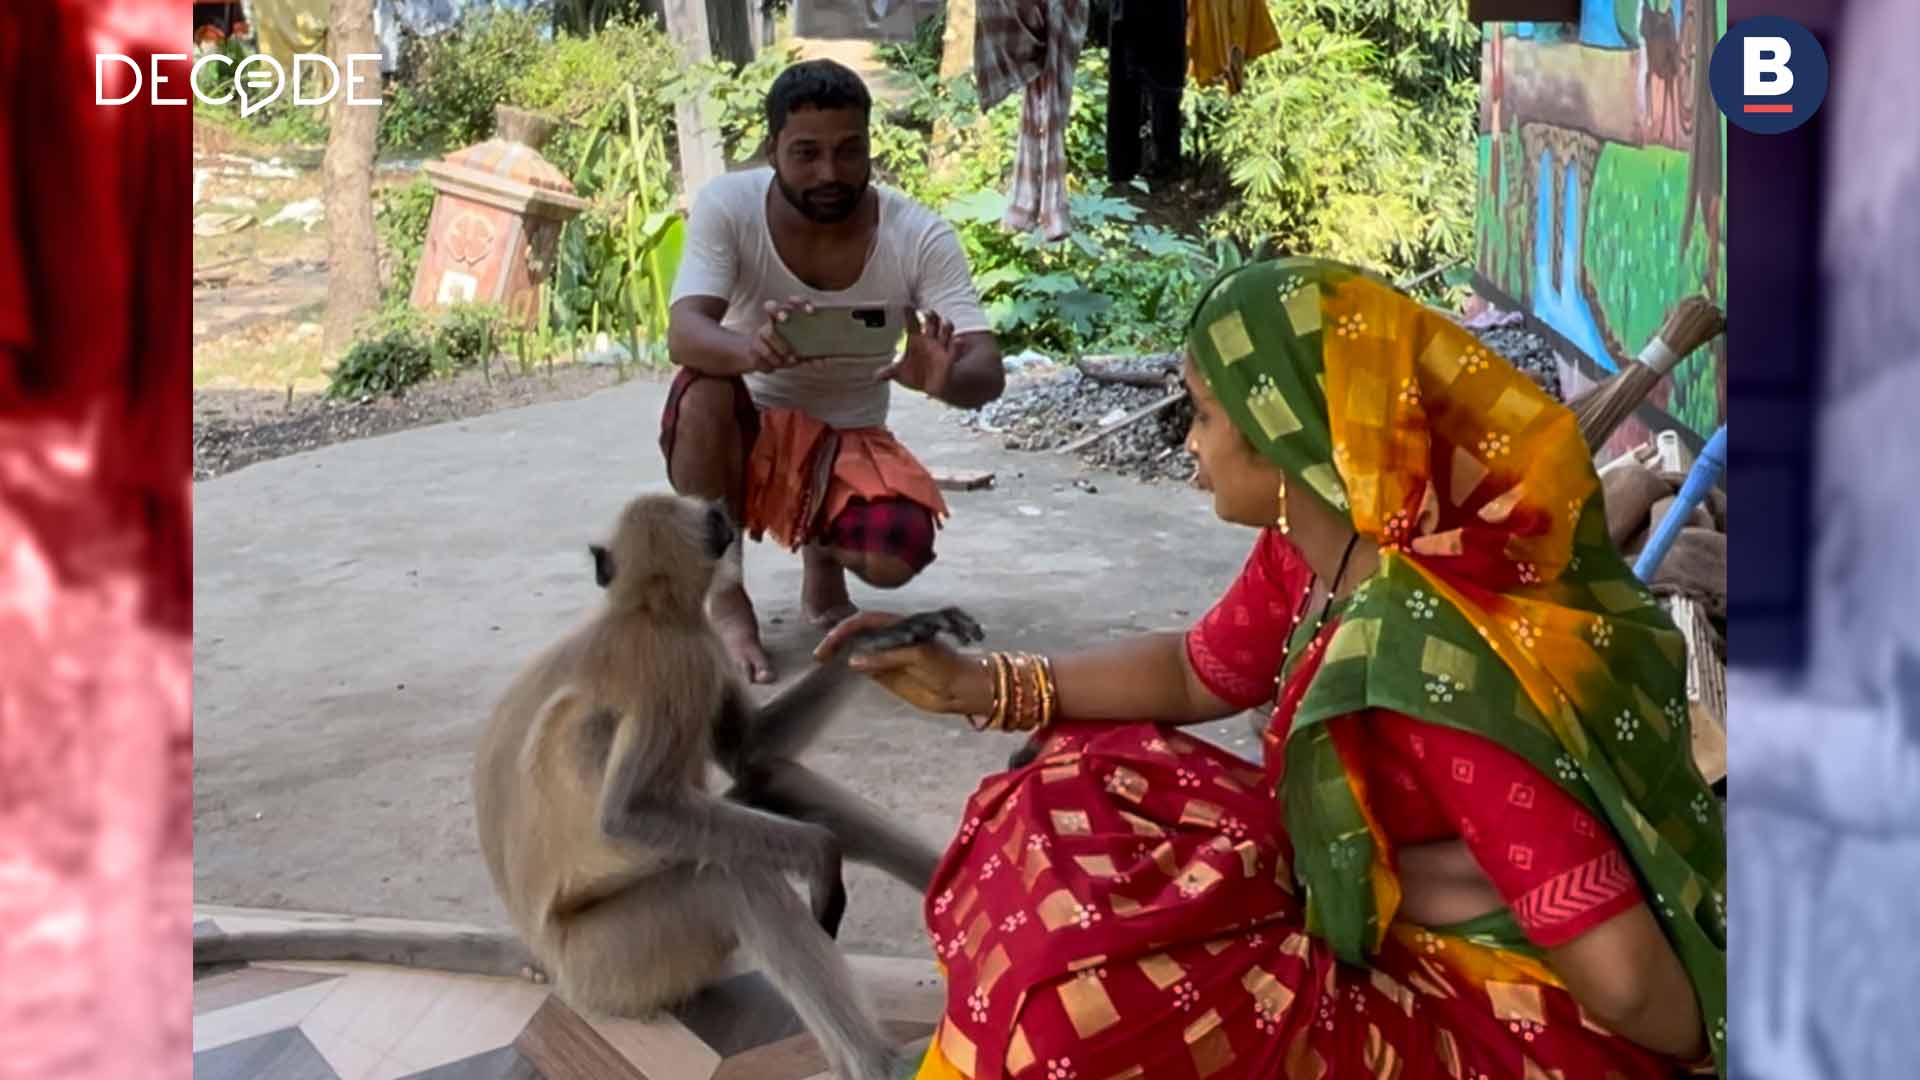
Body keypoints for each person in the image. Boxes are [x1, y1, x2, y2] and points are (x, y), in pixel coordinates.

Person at [821, 257, 1727, 1079]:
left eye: (1205, 415)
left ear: (1284, 435)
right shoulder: (1316, 545)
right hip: (1361, 910)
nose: (1189, 444)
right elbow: (1195, 671)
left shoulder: (1431, 664)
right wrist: (980, 685)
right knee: (1064, 789)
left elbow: (1629, 986)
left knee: (1078, 1017)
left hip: (1487, 1009)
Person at [663, 59, 1005, 683]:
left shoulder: (918, 233)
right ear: (772, 151)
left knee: (896, 554)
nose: (830, 172)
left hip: (850, 441)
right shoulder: (729, 207)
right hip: (747, 435)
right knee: (702, 395)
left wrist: (943, 377)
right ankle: (725, 594)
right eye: (807, 153)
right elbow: (684, 332)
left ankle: (822, 567)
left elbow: (988, 370)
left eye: (850, 151)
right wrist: (751, 352)